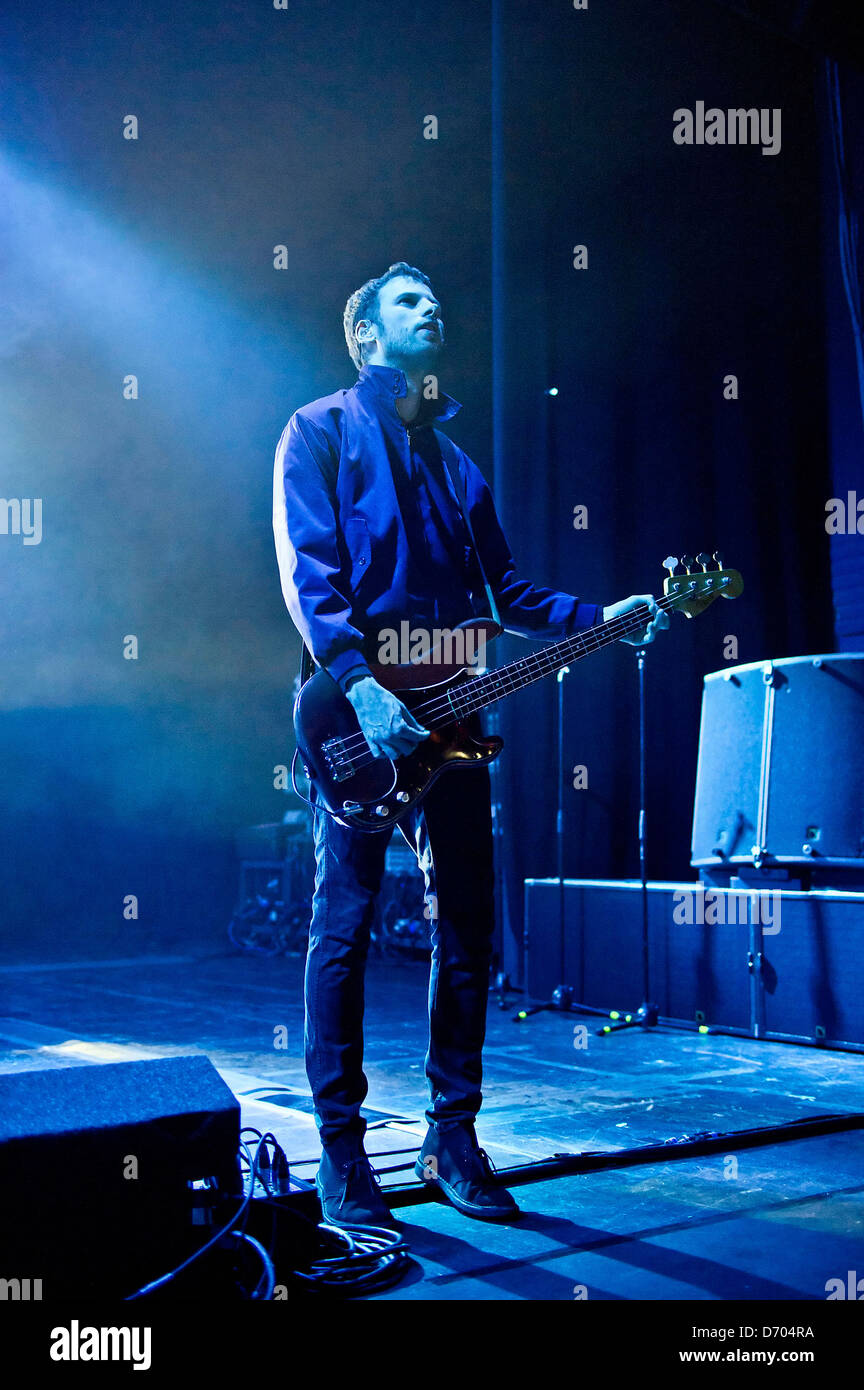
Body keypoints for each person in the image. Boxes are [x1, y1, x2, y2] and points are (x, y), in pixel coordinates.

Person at [272, 262, 669, 1232]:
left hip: (454, 720)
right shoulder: (317, 431)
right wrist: (361, 689)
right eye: (409, 302)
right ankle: (342, 1153)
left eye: (435, 302)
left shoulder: (459, 466)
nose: (432, 309)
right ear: (365, 334)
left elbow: (513, 596)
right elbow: (309, 572)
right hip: (359, 711)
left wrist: (602, 616)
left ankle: (455, 1137)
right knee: (346, 923)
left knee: (468, 932)